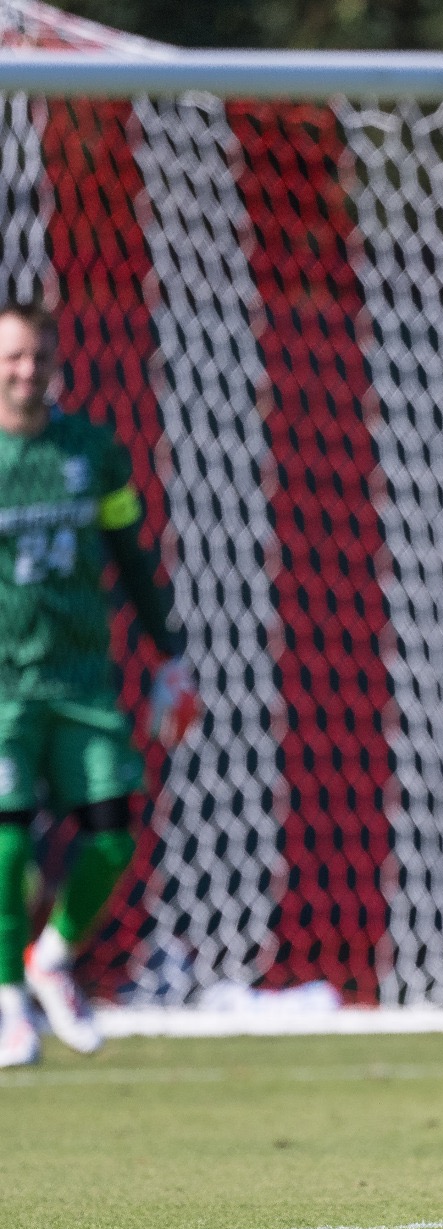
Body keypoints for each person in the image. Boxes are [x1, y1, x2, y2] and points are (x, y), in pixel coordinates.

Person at [0, 300, 199, 1067]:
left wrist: (170, 654)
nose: (27, 370)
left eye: (39, 357)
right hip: (7, 689)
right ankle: (9, 1004)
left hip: (83, 679)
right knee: (8, 842)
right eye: (14, 357)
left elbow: (129, 553)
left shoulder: (92, 454)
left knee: (112, 834)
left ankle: (50, 959)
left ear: (56, 362)